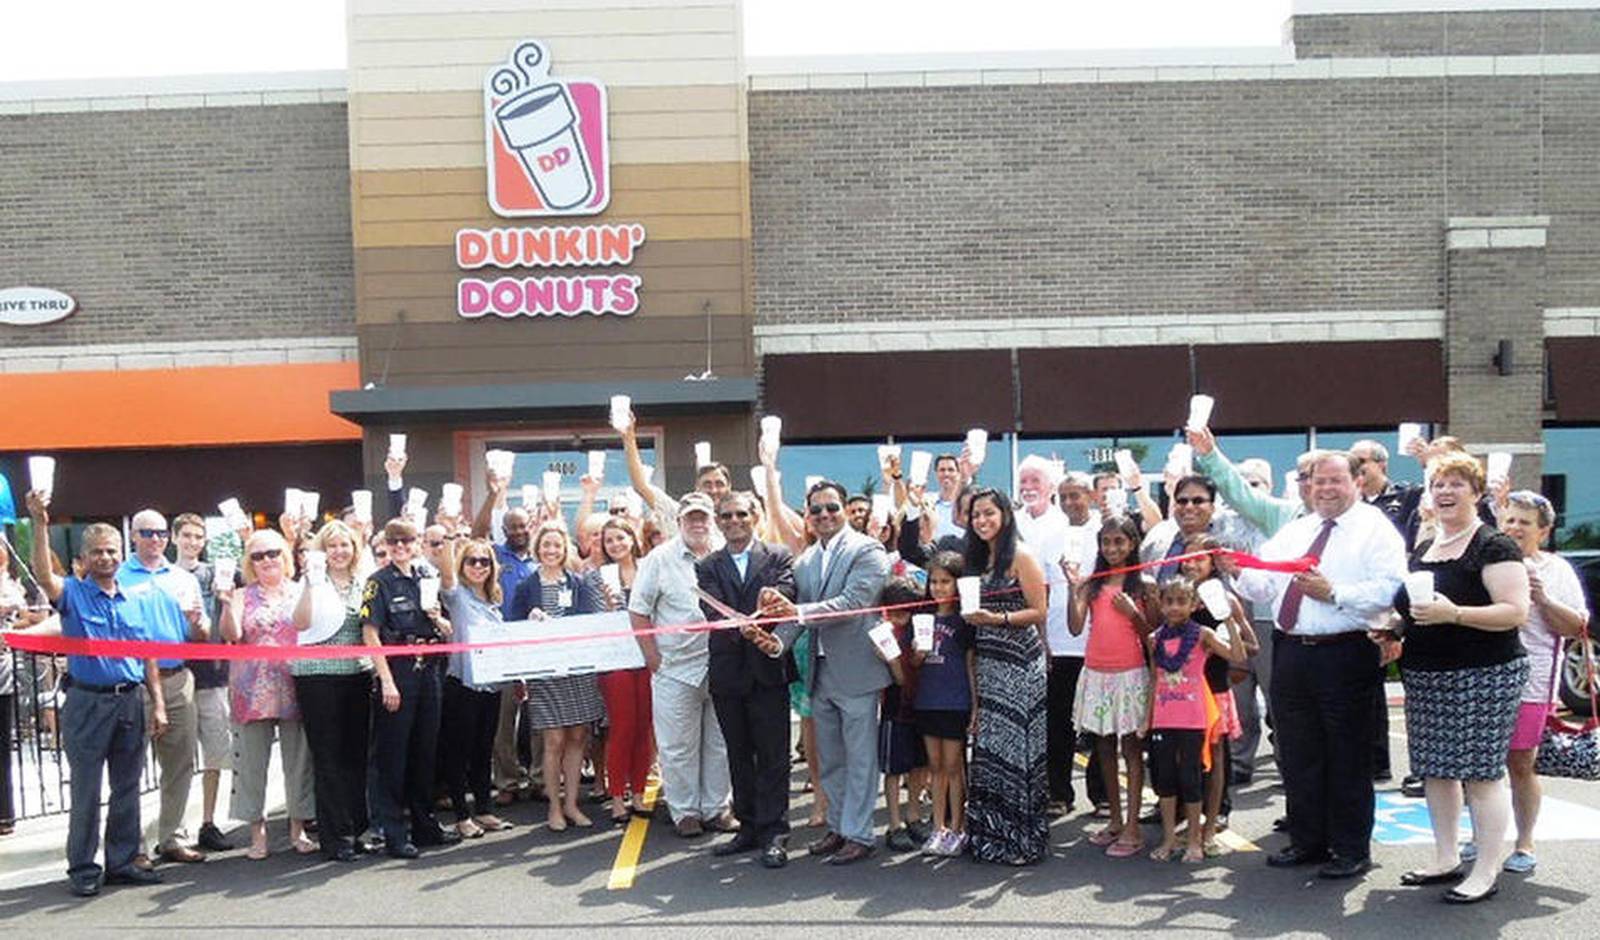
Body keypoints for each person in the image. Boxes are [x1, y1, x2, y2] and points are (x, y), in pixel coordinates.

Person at [1225, 450, 1406, 881]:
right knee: (1299, 750)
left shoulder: (1374, 530)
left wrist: (1335, 592)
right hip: (1292, 650)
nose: (1323, 489)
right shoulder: (1298, 529)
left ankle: (1349, 848)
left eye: (1333, 481)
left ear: (1357, 482)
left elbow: (1391, 589)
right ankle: (1307, 840)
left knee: (1346, 753)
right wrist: (1237, 572)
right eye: (1315, 481)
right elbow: (1266, 584)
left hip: (1344, 651)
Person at [1385, 452, 1532, 903]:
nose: (1445, 492)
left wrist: (1455, 613)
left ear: (1477, 492)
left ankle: (1485, 869)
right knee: (1436, 772)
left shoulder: (1494, 544)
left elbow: (1515, 613)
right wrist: (1392, 628)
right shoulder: (1426, 545)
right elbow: (1410, 607)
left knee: (1482, 774)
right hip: (1429, 674)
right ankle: (1446, 858)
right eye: (1438, 485)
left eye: (1456, 484)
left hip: (1485, 674)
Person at [21, 495, 168, 897]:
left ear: (121, 555)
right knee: (87, 789)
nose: (105, 558)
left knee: (127, 786)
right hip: (87, 702)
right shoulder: (72, 594)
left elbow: (147, 655)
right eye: (97, 552)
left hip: (130, 700)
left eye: (111, 551)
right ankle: (84, 867)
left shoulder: (136, 600)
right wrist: (39, 524)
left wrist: (156, 703)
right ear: (83, 559)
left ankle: (121, 862)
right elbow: (42, 575)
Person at [761, 479, 891, 865]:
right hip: (818, 672)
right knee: (830, 757)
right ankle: (838, 826)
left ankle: (860, 834)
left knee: (861, 757)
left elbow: (852, 603)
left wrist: (794, 613)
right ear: (808, 515)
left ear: (845, 509)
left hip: (857, 671)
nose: (824, 515)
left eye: (831, 507)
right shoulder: (805, 561)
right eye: (816, 509)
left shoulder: (868, 550)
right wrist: (777, 642)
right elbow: (795, 615)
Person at [696, 490, 798, 868]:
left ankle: (775, 832)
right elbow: (711, 605)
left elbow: (786, 593)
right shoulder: (707, 565)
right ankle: (749, 827)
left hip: (768, 671)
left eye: (741, 514)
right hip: (728, 673)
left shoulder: (778, 555)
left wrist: (764, 612)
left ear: (754, 516)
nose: (734, 521)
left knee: (774, 756)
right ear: (718, 522)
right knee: (738, 755)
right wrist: (747, 622)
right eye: (726, 516)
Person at [629, 494, 735, 838]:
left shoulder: (725, 552)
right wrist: (652, 657)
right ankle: (685, 811)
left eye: (703, 517)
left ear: (713, 520)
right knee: (677, 745)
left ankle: (717, 809)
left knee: (719, 742)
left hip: (720, 665)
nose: (698, 523)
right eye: (691, 518)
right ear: (679, 522)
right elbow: (639, 611)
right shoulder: (659, 559)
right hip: (675, 668)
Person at [1495, 490, 1590, 874]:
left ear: (1544, 531)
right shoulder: (1489, 560)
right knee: (1478, 766)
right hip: (1485, 676)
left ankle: (1524, 842)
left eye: (1524, 522)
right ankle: (1479, 837)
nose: (1515, 528)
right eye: (1510, 520)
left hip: (1532, 680)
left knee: (1520, 763)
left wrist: (1544, 599)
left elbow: (1577, 626)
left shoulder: (1555, 569)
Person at [961, 489, 1050, 865]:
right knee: (991, 748)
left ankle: (1021, 838)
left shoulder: (1021, 556)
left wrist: (996, 620)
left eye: (988, 513)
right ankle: (990, 835)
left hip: (1019, 664)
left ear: (1005, 515)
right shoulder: (979, 559)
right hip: (989, 663)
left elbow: (1040, 611)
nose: (981, 520)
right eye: (975, 515)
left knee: (1018, 750)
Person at [218, 528, 318, 860]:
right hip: (251, 691)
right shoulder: (241, 595)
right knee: (250, 764)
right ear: (249, 562)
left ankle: (297, 828)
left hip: (294, 686)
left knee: (299, 762)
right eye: (258, 556)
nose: (266, 561)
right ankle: (256, 833)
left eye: (273, 553)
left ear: (285, 556)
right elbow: (231, 635)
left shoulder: (300, 589)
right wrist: (225, 605)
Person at [362, 517, 459, 858]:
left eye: (406, 541)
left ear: (417, 543)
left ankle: (425, 824)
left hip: (428, 670)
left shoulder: (427, 578)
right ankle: (393, 831)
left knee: (424, 752)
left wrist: (437, 618)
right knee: (393, 756)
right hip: (398, 672)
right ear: (386, 546)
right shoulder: (378, 583)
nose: (400, 547)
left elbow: (447, 629)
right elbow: (370, 632)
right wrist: (385, 679)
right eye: (394, 542)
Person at [118, 509, 210, 865]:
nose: (155, 539)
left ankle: (171, 836)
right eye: (147, 532)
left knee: (180, 764)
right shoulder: (120, 576)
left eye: (160, 533)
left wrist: (197, 623)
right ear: (134, 536)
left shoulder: (181, 579)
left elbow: (200, 636)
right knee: (129, 767)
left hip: (176, 679)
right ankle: (133, 846)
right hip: (133, 682)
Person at [506, 522, 607, 831]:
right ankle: (554, 807)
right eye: (546, 545)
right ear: (538, 549)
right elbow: (511, 627)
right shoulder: (526, 586)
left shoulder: (578, 583)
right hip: (545, 673)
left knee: (578, 736)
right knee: (553, 740)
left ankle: (572, 804)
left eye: (557, 546)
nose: (551, 550)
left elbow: (591, 624)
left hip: (577, 671)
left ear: (565, 550)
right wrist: (529, 620)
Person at [1142, 576, 1246, 864]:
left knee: (1191, 778)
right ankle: (1169, 838)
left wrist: (1229, 623)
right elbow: (1154, 680)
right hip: (1163, 719)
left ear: (1194, 605)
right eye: (1169, 601)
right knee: (1164, 778)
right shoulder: (1154, 639)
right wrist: (1146, 719)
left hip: (1193, 719)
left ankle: (1196, 839)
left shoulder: (1202, 635)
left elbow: (1237, 655)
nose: (1174, 607)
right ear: (1161, 605)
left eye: (1181, 601)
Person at [1070, 515, 1156, 857]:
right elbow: (1076, 627)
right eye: (1106, 542)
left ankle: (1134, 827)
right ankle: (1116, 819)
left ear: (1133, 543)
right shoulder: (1093, 583)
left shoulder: (1143, 584)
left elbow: (1154, 635)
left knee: (1132, 750)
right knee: (1103, 747)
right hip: (1096, 673)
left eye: (1119, 542)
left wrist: (1134, 612)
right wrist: (1073, 589)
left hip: (1130, 674)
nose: (1112, 549)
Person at [290, 520, 374, 861]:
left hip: (357, 675)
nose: (339, 552)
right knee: (328, 758)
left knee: (356, 757)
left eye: (345, 545)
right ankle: (335, 836)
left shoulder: (363, 582)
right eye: (332, 546)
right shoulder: (311, 582)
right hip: (317, 677)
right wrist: (310, 583)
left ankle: (356, 830)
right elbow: (299, 623)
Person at [1180, 535, 1258, 849]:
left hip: (1215, 690)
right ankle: (1190, 814)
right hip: (1183, 694)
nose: (1191, 563)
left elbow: (1252, 647)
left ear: (1213, 563)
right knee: (1186, 757)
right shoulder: (1177, 596)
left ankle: (1217, 814)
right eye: (1186, 558)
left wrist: (1223, 638)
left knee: (1216, 758)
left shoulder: (1225, 598)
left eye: (1200, 558)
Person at [437, 536, 515, 840]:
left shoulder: (493, 599)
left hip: (491, 685)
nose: (479, 566)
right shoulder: (457, 596)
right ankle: (461, 815)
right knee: (459, 751)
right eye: (472, 561)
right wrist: (448, 543)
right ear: (462, 565)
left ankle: (483, 809)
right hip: (463, 684)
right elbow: (446, 578)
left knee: (484, 748)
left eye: (485, 561)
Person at [170, 513, 234, 852]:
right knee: (179, 756)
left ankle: (209, 822)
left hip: (213, 673)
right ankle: (176, 829)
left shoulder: (215, 574)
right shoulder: (164, 576)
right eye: (188, 536)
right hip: (176, 671)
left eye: (199, 536)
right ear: (174, 538)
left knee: (214, 753)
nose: (193, 542)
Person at [911, 552, 978, 856]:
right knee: (935, 766)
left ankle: (959, 827)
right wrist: (917, 654)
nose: (939, 588)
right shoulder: (922, 617)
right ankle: (938, 826)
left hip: (955, 700)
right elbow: (914, 664)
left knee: (953, 766)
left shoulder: (965, 621)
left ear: (957, 584)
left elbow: (970, 666)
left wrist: (976, 706)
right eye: (934, 582)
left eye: (945, 582)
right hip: (928, 700)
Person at [1048, 471, 1105, 816]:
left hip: (1098, 644)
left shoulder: (1106, 531)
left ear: (1091, 496)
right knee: (1058, 724)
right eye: (1064, 496)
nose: (1070, 502)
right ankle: (1058, 792)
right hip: (1058, 643)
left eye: (1076, 495)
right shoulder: (1050, 535)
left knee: (1099, 725)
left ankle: (1101, 795)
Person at [594, 517, 654, 825]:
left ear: (632, 538)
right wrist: (606, 605)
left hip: (647, 658)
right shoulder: (597, 577)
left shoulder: (649, 569)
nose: (616, 544)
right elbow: (593, 623)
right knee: (622, 728)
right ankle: (617, 796)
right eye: (609, 541)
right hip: (615, 662)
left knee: (644, 727)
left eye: (620, 538)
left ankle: (640, 793)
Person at [876, 577, 930, 853]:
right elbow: (897, 677)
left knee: (919, 764)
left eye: (907, 610)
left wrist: (919, 657)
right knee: (894, 768)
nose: (901, 616)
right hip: (894, 708)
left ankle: (914, 815)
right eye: (894, 610)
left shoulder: (919, 628)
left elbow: (918, 664)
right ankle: (894, 823)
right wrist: (894, 660)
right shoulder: (882, 633)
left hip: (920, 703)